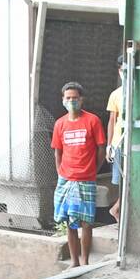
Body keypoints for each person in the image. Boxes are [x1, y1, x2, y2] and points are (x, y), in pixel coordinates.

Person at [52, 81, 106, 267]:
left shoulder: (93, 121)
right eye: (68, 98)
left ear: (81, 100)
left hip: (86, 179)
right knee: (69, 222)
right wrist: (60, 171)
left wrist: (94, 169)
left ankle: (85, 262)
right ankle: (74, 263)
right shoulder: (60, 124)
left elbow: (101, 148)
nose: (72, 101)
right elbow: (57, 151)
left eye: (75, 98)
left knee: (86, 222)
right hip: (66, 180)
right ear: (63, 100)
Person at [106, 56, 125, 224]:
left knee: (132, 180)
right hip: (119, 142)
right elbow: (113, 120)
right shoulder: (116, 94)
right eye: (122, 70)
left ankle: (117, 208)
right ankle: (118, 209)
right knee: (121, 180)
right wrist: (109, 145)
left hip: (136, 144)